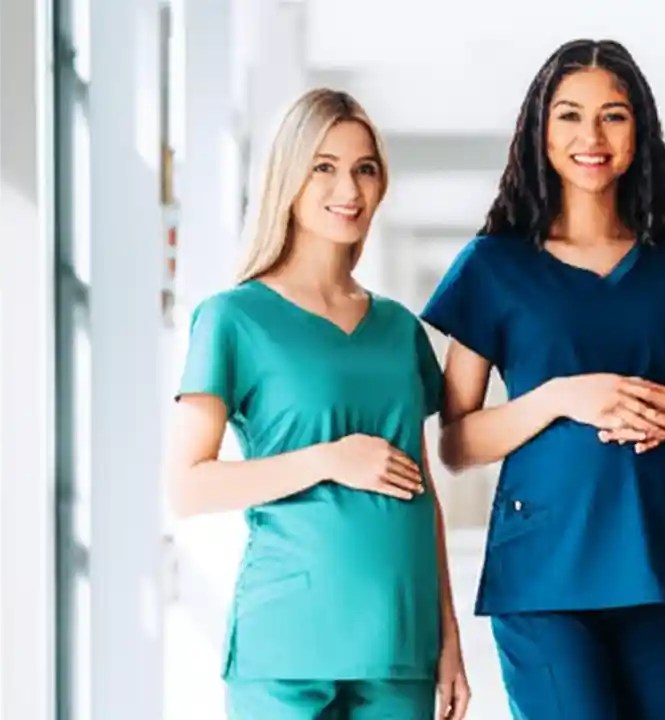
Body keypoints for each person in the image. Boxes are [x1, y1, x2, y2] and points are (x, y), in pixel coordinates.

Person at [420, 39, 665, 719]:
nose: (590, 137)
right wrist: (562, 397)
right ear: (540, 130)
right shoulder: (493, 266)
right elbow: (455, 444)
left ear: (640, 131)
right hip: (543, 575)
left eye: (613, 116)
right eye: (569, 115)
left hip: (663, 564)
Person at [162, 88, 469, 720]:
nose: (348, 189)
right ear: (288, 178)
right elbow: (189, 488)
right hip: (286, 648)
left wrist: (449, 639)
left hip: (399, 647)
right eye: (323, 166)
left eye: (364, 168)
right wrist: (330, 458)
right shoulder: (233, 319)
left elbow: (422, 488)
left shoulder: (398, 328)